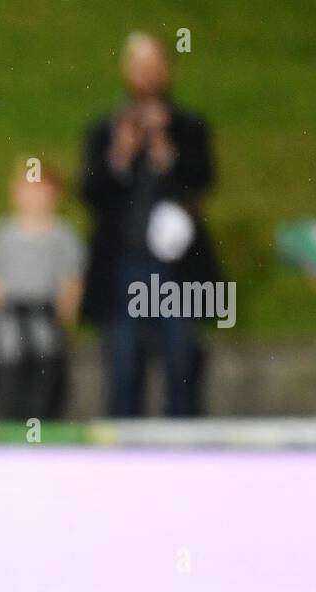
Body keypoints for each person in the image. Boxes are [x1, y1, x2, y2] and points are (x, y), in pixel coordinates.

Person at [79, 31, 222, 417]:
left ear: (167, 70)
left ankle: (186, 456)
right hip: (123, 265)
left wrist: (166, 155)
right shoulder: (104, 129)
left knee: (182, 365)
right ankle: (122, 461)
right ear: (127, 71)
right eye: (139, 66)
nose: (147, 74)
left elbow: (205, 180)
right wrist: (121, 157)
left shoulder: (188, 127)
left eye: (154, 65)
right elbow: (89, 192)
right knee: (123, 367)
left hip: (175, 269)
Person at [0, 163, 85, 419]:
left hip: (46, 322)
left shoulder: (63, 237)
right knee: (7, 385)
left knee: (46, 388)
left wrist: (65, 317)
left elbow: (70, 283)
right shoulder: (2, 233)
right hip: (11, 322)